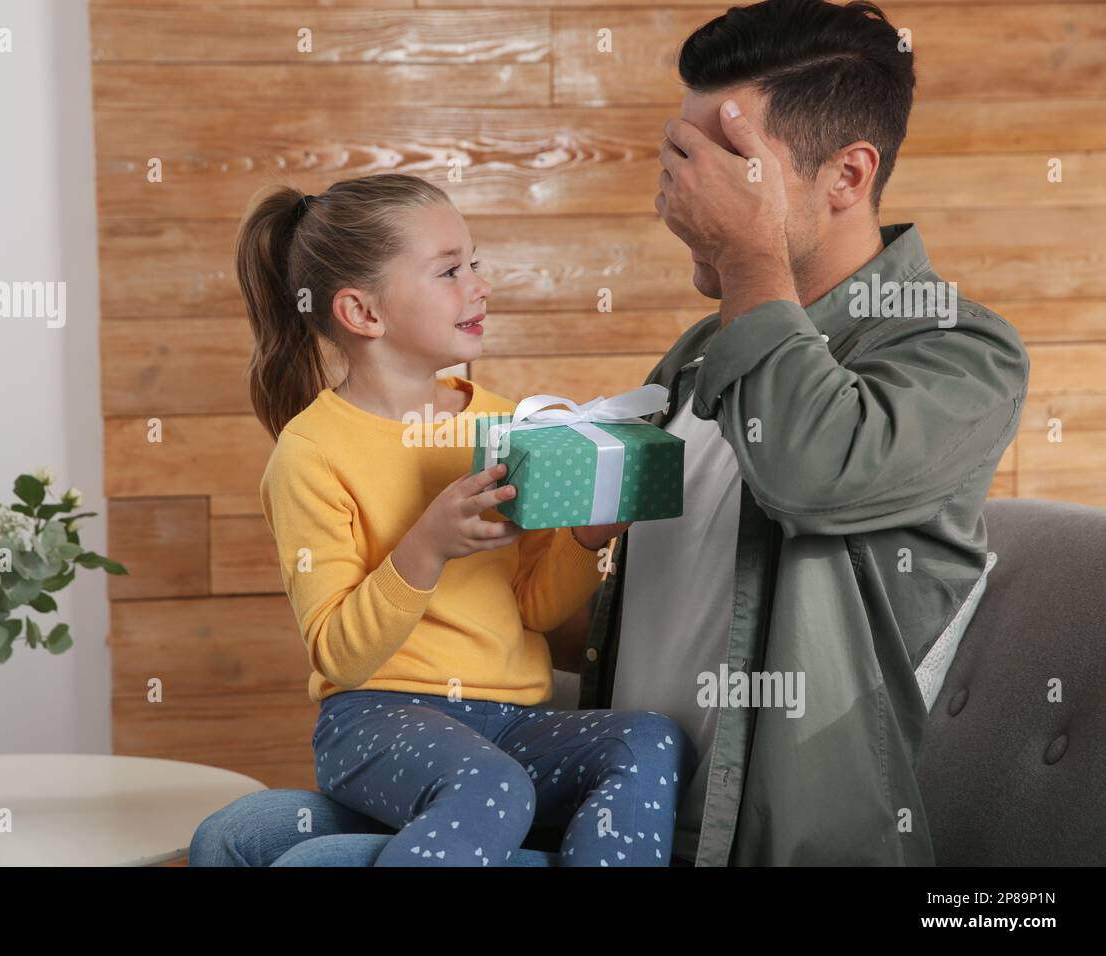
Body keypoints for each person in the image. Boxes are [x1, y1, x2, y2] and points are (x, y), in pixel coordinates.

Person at [193, 0, 1029, 866]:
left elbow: (815, 469)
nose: (682, 189)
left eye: (725, 162)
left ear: (847, 177)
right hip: (604, 804)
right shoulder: (702, 359)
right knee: (239, 836)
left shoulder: (955, 353)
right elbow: (557, 616)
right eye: (681, 153)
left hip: (751, 836)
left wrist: (749, 255)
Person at [192, 171, 692, 867]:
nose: (480, 285)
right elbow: (338, 651)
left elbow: (533, 609)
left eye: (475, 264)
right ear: (363, 313)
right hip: (376, 722)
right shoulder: (311, 454)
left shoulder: (503, 422)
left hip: (515, 723)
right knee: (490, 785)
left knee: (649, 738)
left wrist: (587, 537)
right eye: (450, 271)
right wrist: (425, 546)